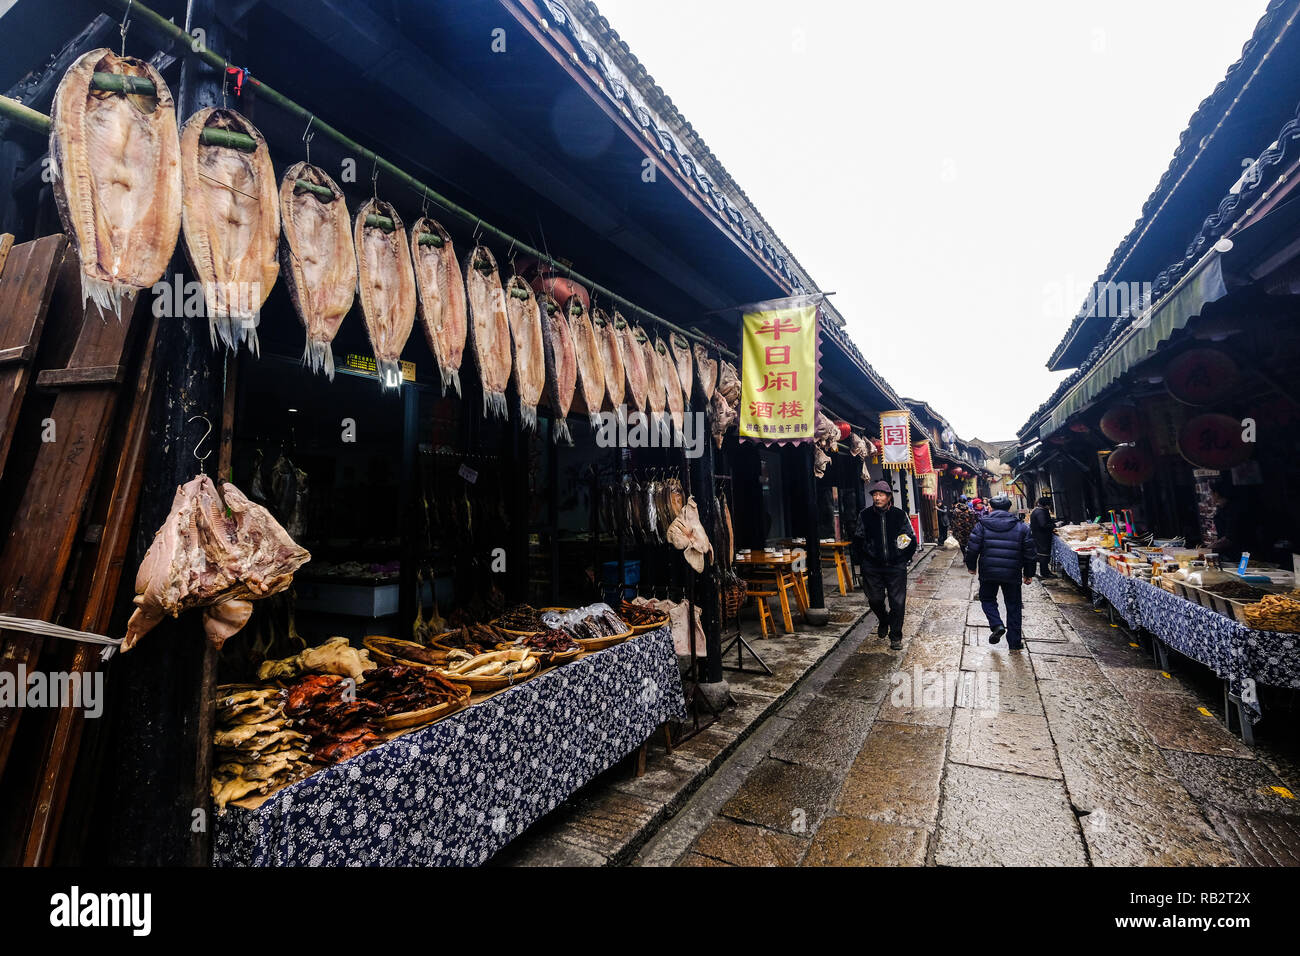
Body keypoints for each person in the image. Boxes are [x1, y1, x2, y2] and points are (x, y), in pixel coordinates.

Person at [851, 480, 917, 649]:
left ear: (889, 497)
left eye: (881, 494)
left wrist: (904, 558)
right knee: (874, 599)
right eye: (874, 494)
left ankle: (896, 637)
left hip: (896, 566)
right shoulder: (864, 515)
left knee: (898, 602)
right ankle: (883, 619)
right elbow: (858, 539)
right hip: (872, 566)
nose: (877, 497)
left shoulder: (899, 514)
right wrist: (862, 561)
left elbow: (910, 538)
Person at [965, 493, 1036, 649]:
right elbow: (1030, 553)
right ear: (1009, 508)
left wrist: (971, 566)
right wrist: (1029, 573)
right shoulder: (1021, 527)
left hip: (988, 571)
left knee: (987, 599)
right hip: (1012, 573)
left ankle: (996, 624)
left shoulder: (982, 525)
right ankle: (1015, 642)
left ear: (991, 508)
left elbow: (972, 548)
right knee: (1014, 606)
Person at [1029, 496, 1057, 579]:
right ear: (1046, 505)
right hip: (1041, 537)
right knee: (1044, 554)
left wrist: (1053, 521)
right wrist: (1055, 525)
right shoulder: (1040, 512)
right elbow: (1043, 524)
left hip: (1039, 536)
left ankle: (1045, 571)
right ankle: (1045, 573)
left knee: (1043, 554)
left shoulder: (1038, 510)